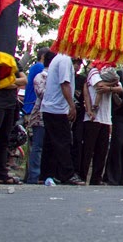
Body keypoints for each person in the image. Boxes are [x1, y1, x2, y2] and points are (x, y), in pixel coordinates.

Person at [39, 51, 83, 185]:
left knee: (50, 143)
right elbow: (65, 84)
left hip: (50, 106)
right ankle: (67, 173)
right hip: (57, 108)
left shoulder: (59, 59)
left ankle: (46, 174)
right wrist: (71, 105)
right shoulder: (64, 60)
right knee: (63, 141)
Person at [80, 63, 122, 185]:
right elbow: (99, 85)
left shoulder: (111, 71)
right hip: (93, 117)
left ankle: (96, 178)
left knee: (102, 150)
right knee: (88, 149)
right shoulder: (94, 72)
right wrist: (112, 85)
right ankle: (83, 176)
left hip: (106, 118)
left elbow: (120, 89)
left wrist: (109, 88)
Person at [0, 67, 25, 184]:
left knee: (5, 140)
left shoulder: (14, 61)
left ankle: (2, 174)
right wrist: (14, 82)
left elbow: (24, 80)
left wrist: (8, 82)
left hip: (11, 104)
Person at [23, 47, 49, 184]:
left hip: (30, 106)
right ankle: (34, 176)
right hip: (35, 108)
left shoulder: (34, 68)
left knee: (35, 145)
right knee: (37, 145)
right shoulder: (40, 69)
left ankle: (31, 176)